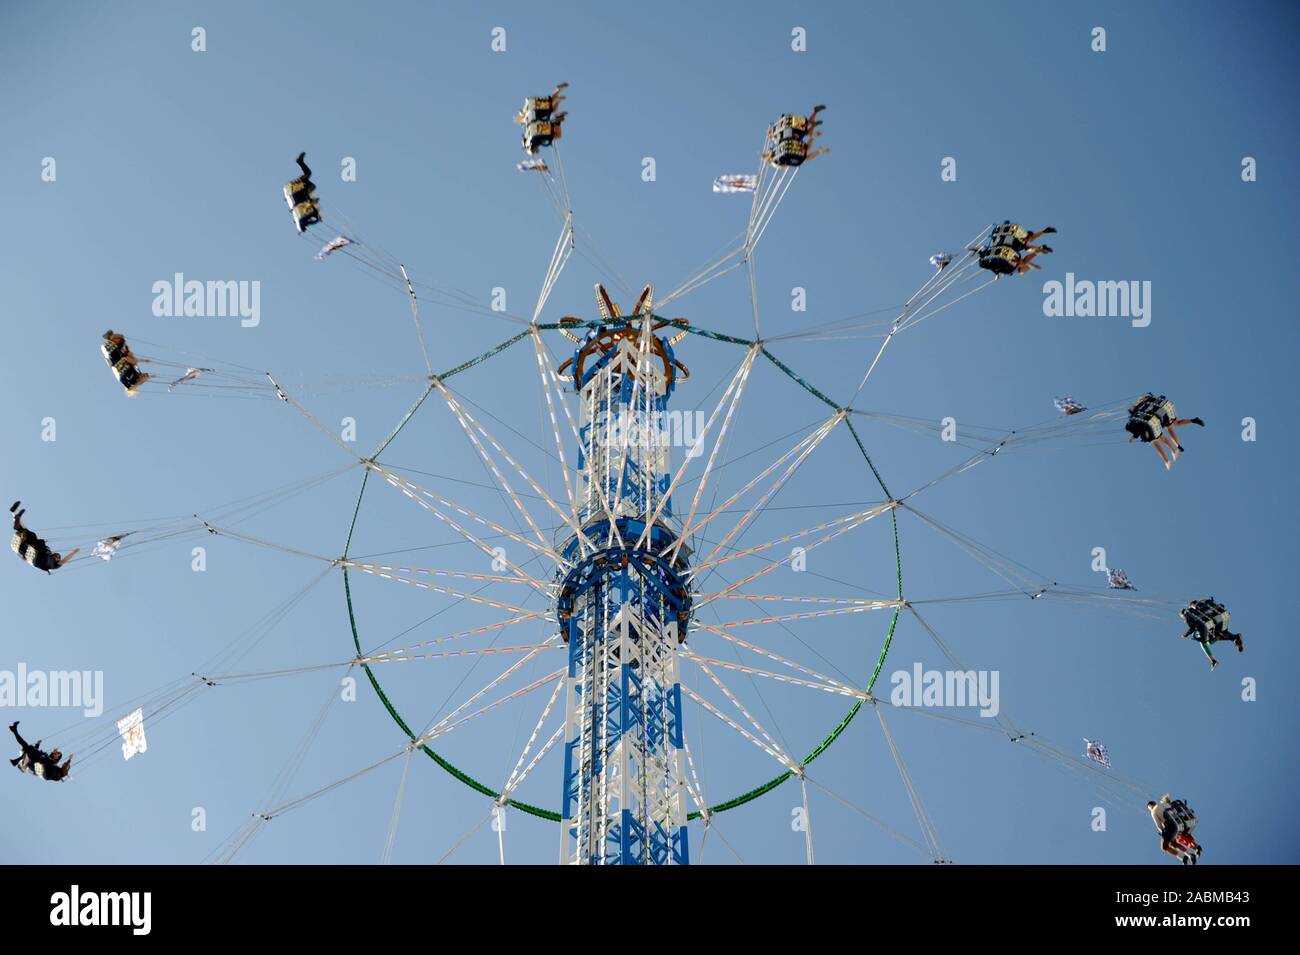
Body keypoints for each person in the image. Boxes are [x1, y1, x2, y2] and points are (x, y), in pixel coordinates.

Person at [10, 502, 78, 573]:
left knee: (39, 543)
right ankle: (15, 513)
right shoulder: (48, 553)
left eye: (58, 557)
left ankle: (17, 519)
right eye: (57, 555)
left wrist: (74, 552)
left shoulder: (54, 565)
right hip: (33, 551)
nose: (57, 557)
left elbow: (65, 560)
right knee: (31, 535)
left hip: (37, 560)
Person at [1180, 598, 1243, 669]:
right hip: (1221, 618)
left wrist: (1186, 634)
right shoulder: (1208, 604)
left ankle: (1213, 661)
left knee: (1203, 641)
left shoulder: (1193, 613)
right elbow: (1221, 606)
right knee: (1220, 632)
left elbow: (1192, 627)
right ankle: (1235, 638)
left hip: (1212, 622)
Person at [8, 722, 73, 781]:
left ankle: (16, 761)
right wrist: (37, 744)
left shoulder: (53, 762)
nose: (56, 754)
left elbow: (64, 767)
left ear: (57, 758)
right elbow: (35, 751)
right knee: (27, 747)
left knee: (36, 753)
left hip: (42, 768)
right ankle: (14, 731)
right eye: (57, 753)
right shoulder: (46, 756)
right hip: (35, 760)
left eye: (58, 755)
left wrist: (69, 759)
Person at [1148, 794, 1195, 863]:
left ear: (1151, 806)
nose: (1150, 810)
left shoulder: (1153, 811)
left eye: (1149, 808)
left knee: (1164, 847)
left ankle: (1182, 857)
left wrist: (1163, 833)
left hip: (1170, 826)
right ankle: (1190, 855)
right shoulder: (1163, 803)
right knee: (1173, 843)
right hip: (1178, 824)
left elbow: (1158, 826)